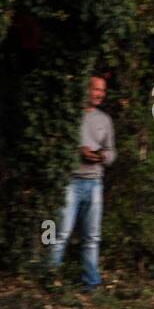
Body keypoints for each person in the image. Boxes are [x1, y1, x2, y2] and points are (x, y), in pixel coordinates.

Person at [50, 75, 115, 290]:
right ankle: (50, 277)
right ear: (85, 89)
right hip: (70, 181)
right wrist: (78, 152)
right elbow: (57, 145)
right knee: (60, 232)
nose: (99, 94)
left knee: (92, 237)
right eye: (96, 89)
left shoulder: (104, 119)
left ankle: (91, 282)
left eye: (102, 91)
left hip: (95, 183)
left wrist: (103, 156)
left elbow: (112, 151)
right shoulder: (71, 116)